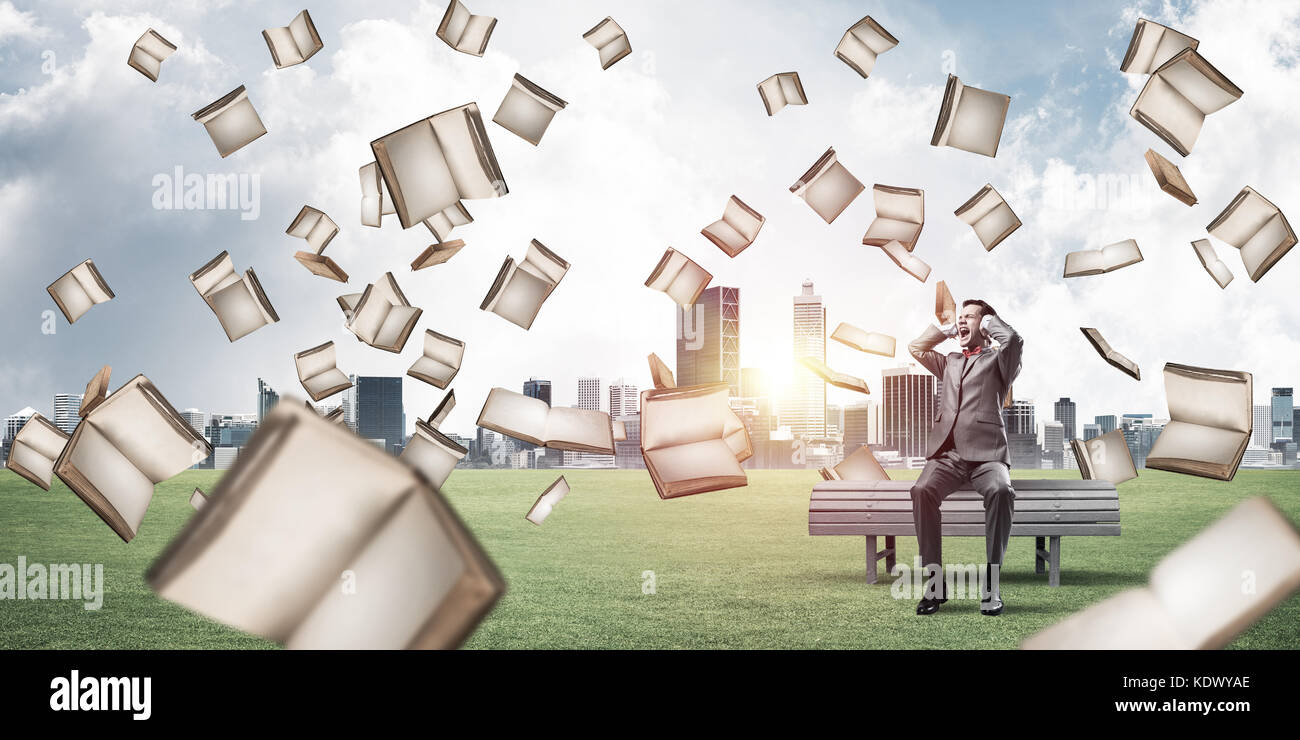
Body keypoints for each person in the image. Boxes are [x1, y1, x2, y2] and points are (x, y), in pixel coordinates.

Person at [907, 299, 1023, 616]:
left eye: (969, 317)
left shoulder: (1000, 361)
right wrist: (949, 329)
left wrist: (987, 322)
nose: (962, 321)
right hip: (947, 455)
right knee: (921, 490)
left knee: (1001, 491)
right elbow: (915, 348)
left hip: (988, 457)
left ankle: (992, 587)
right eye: (961, 317)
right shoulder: (950, 361)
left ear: (985, 324)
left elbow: (1013, 339)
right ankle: (934, 587)